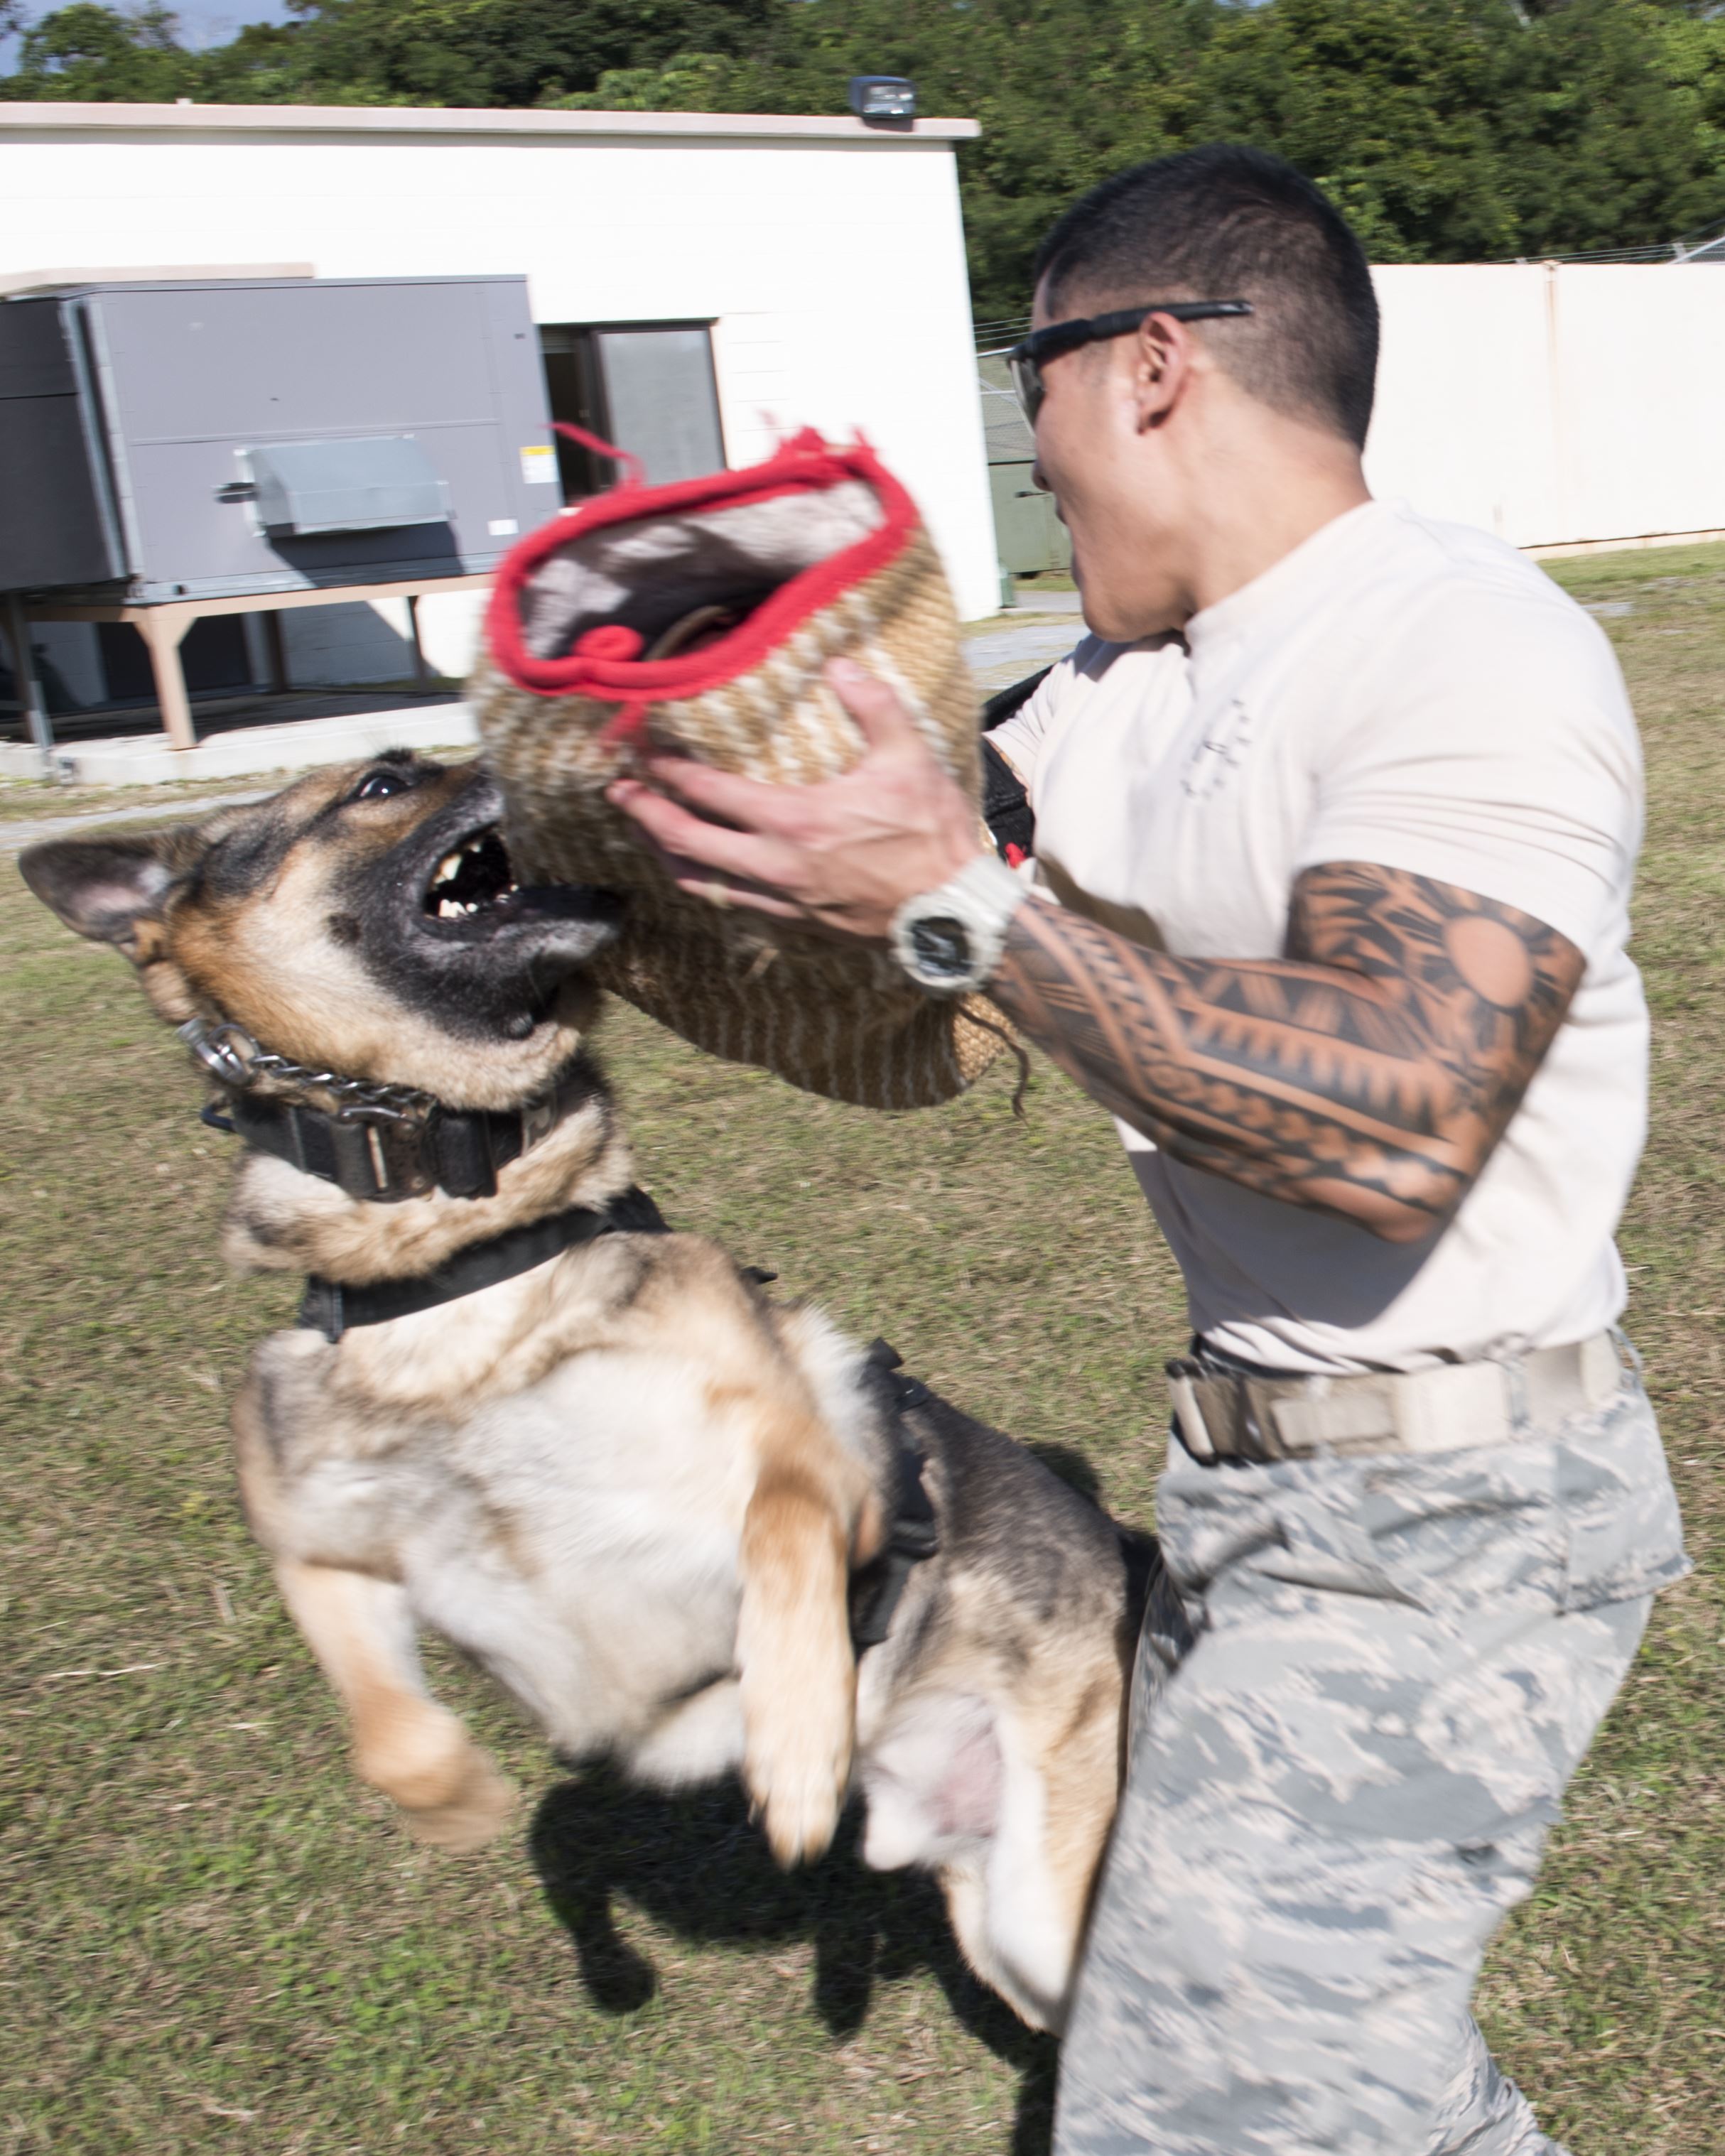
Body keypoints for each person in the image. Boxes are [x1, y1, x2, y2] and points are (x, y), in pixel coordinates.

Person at [609, 144, 1689, 2156]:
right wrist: (639, 817)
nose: (1032, 464)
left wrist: (958, 897)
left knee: (1207, 2104)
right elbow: (880, 990)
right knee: (1295, 2062)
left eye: (1032, 386)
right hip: (1256, 1497)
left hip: (1463, 1512)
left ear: (1148, 365)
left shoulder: (1456, 644)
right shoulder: (1097, 700)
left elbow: (1393, 1125)